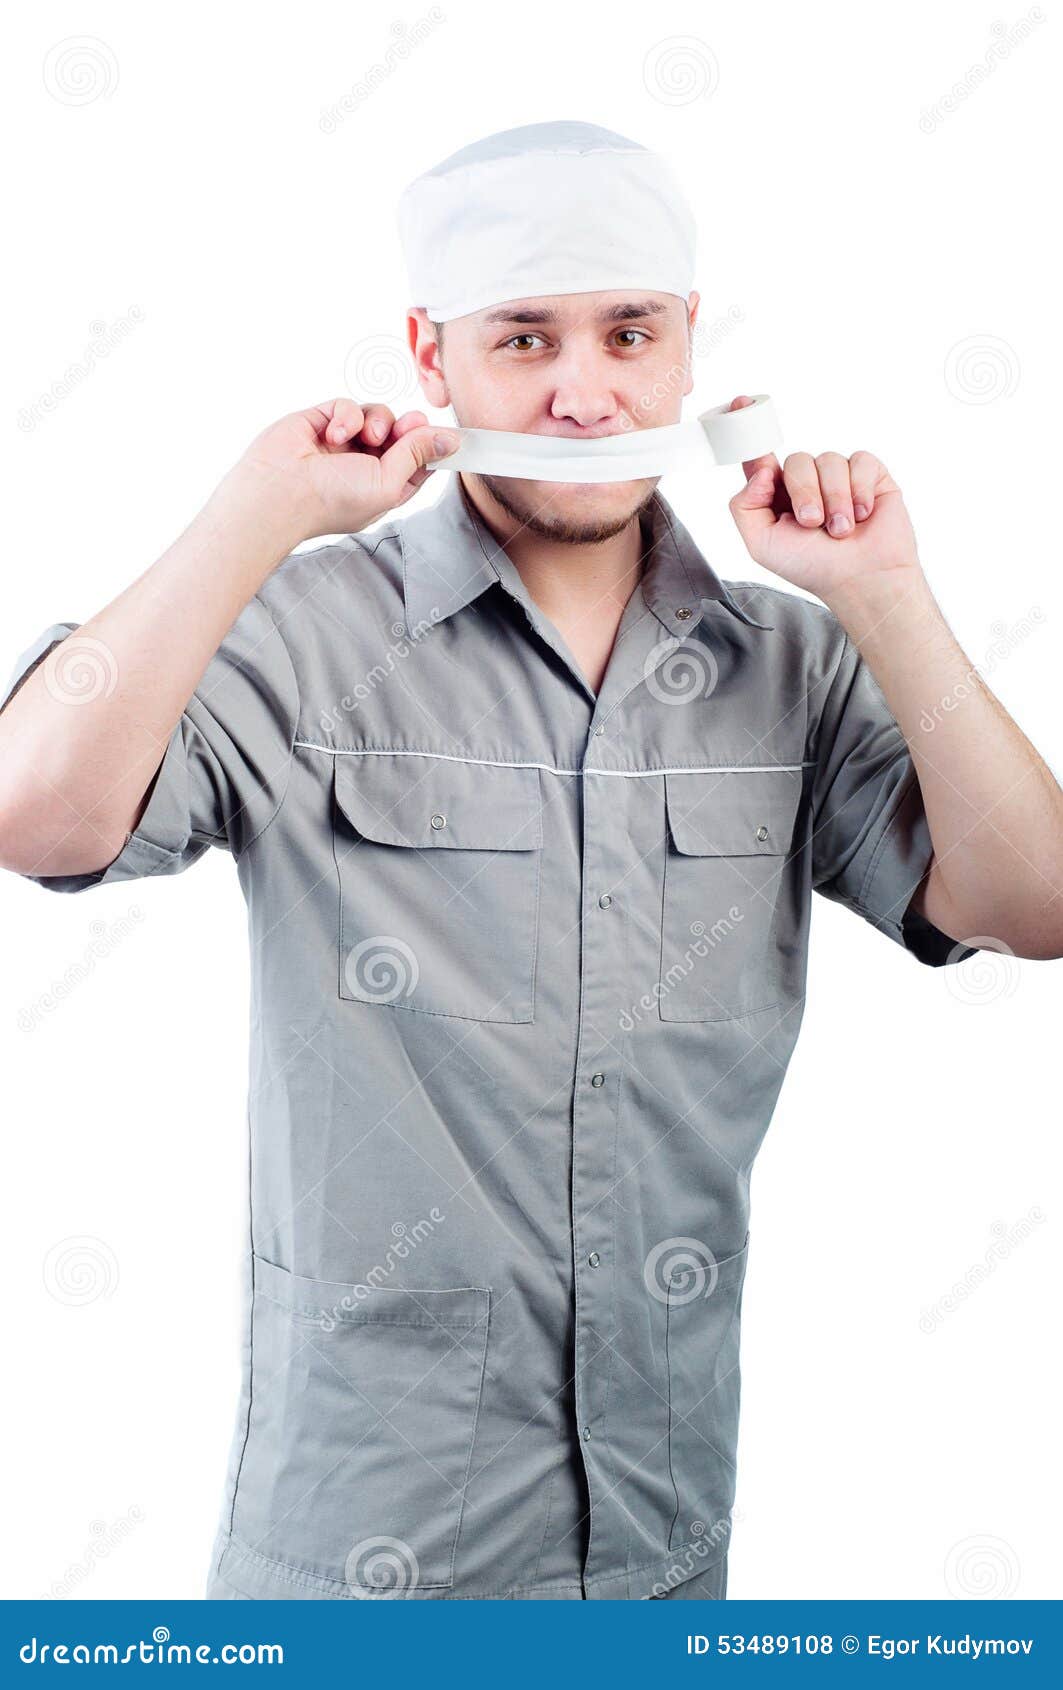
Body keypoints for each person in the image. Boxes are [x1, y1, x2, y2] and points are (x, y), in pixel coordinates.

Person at [1, 121, 1059, 1603]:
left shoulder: (795, 662)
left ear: (690, 350)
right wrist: (257, 509)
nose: (584, 394)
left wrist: (890, 597)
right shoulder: (310, 632)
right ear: (435, 359)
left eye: (630, 334)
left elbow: (1033, 903)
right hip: (361, 1557)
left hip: (662, 1539)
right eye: (524, 341)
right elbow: (34, 813)